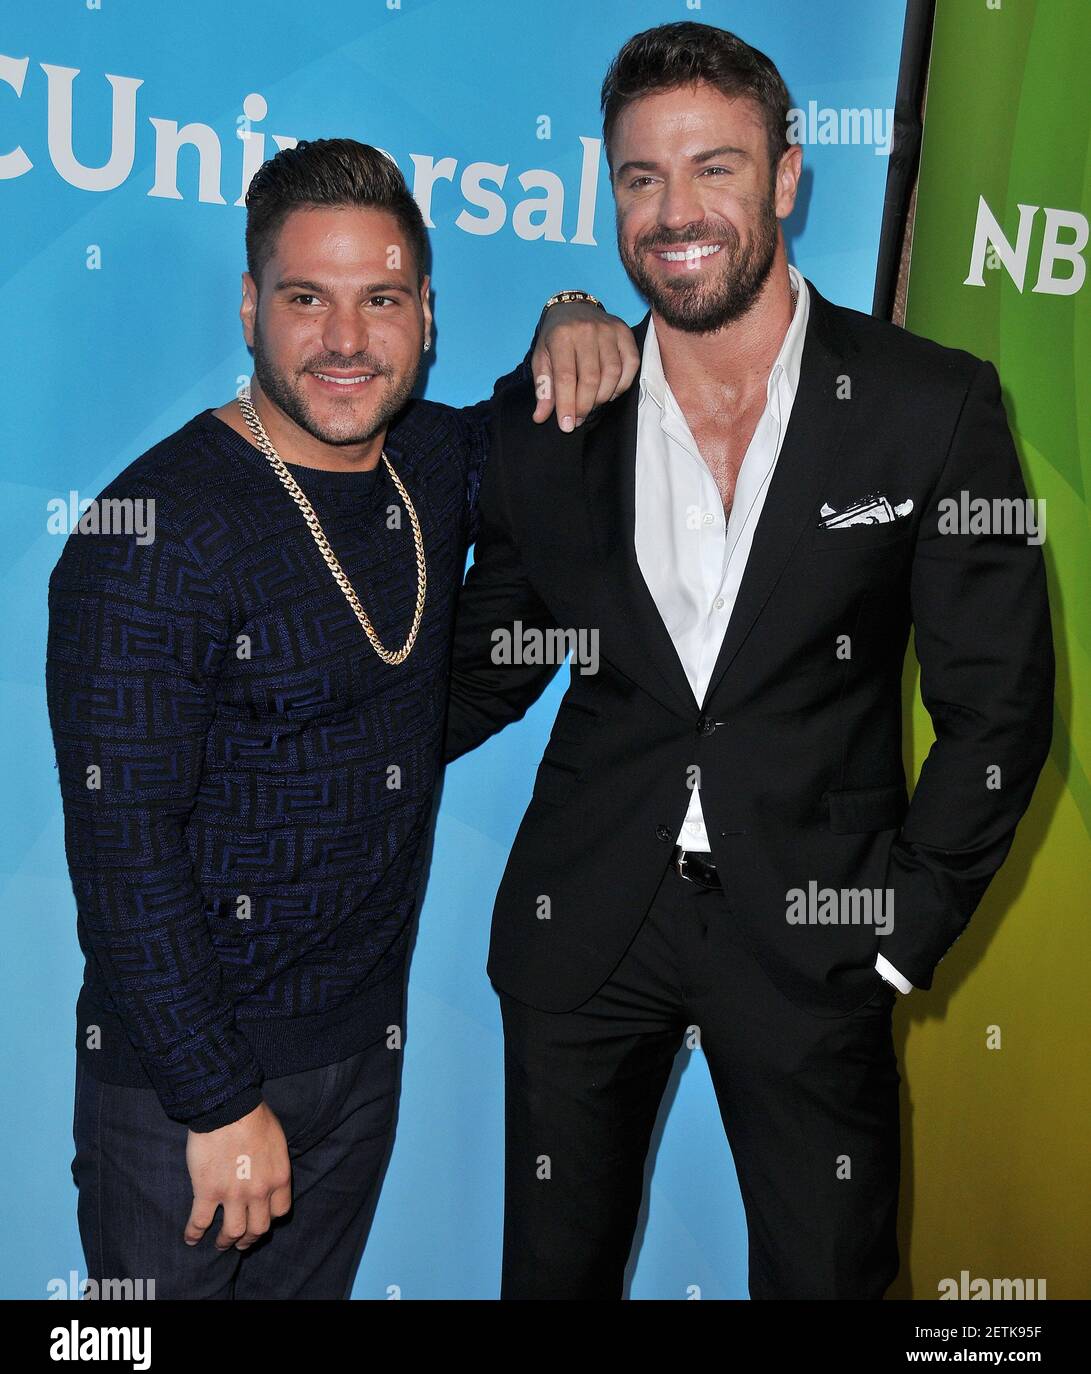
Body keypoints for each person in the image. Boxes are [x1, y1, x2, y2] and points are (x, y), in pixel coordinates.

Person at [444, 23, 1054, 1299]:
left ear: (785, 177)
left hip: (815, 927)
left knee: (828, 1280)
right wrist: (308, 718)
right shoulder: (555, 412)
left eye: (713, 169)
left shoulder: (924, 405)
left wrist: (897, 930)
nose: (676, 214)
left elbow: (997, 709)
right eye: (640, 178)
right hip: (585, 925)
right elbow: (497, 657)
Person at [46, 137, 637, 1300]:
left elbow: (539, 407)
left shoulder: (426, 453)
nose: (346, 341)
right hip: (183, 1084)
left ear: (425, 313)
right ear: (250, 306)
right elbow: (122, 855)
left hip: (357, 1056)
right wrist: (215, 1102)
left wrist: (573, 307)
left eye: (380, 299)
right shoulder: (150, 534)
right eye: (306, 298)